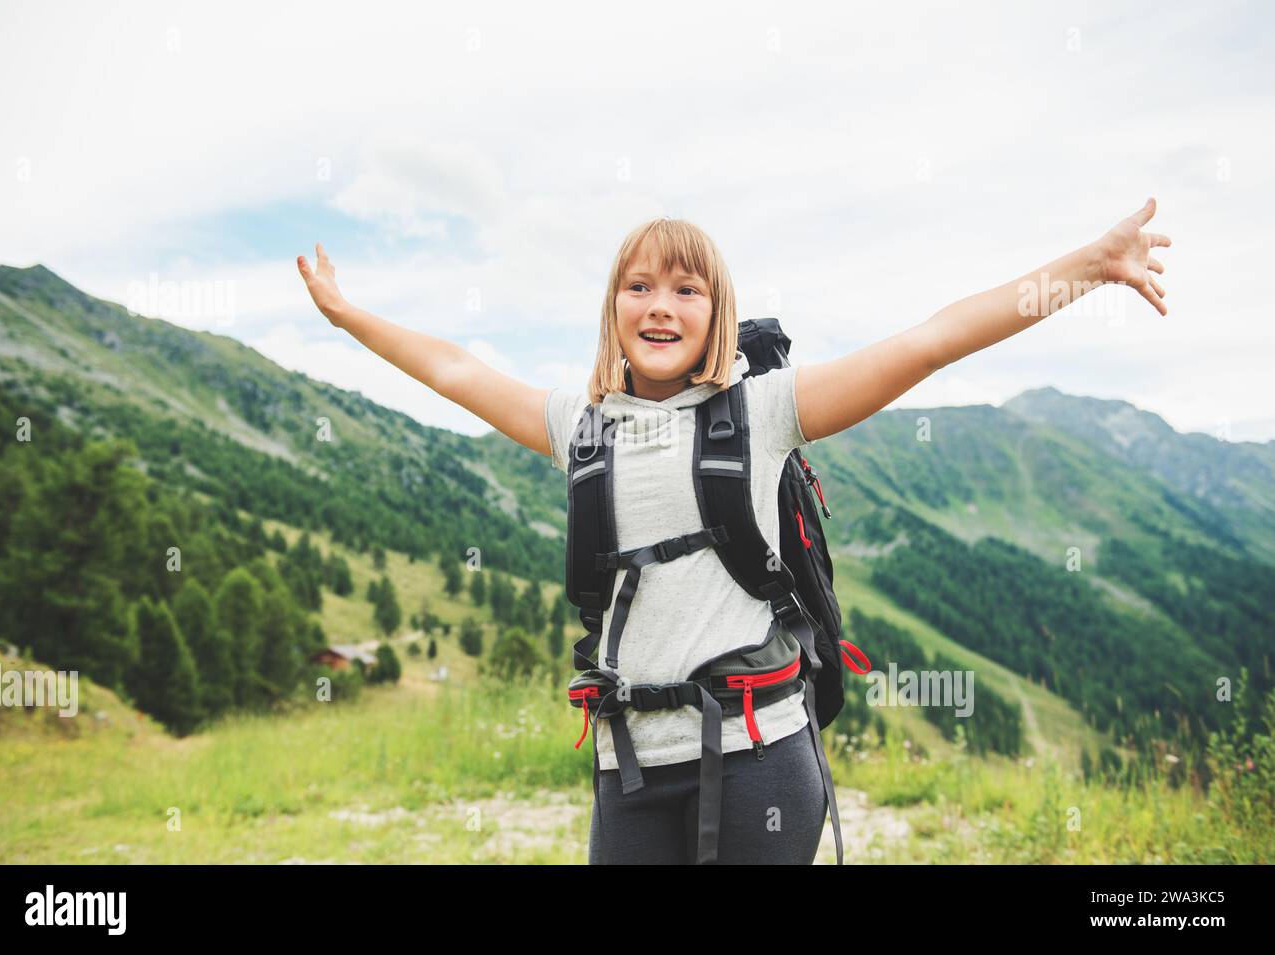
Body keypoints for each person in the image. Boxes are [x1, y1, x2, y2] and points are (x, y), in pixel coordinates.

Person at [297, 202, 1171, 864]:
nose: (661, 305)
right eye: (638, 286)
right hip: (628, 760)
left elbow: (931, 340)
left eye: (687, 288)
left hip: (759, 754)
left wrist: (1086, 269)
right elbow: (454, 369)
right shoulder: (582, 424)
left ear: (718, 312)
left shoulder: (763, 412)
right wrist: (350, 316)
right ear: (613, 311)